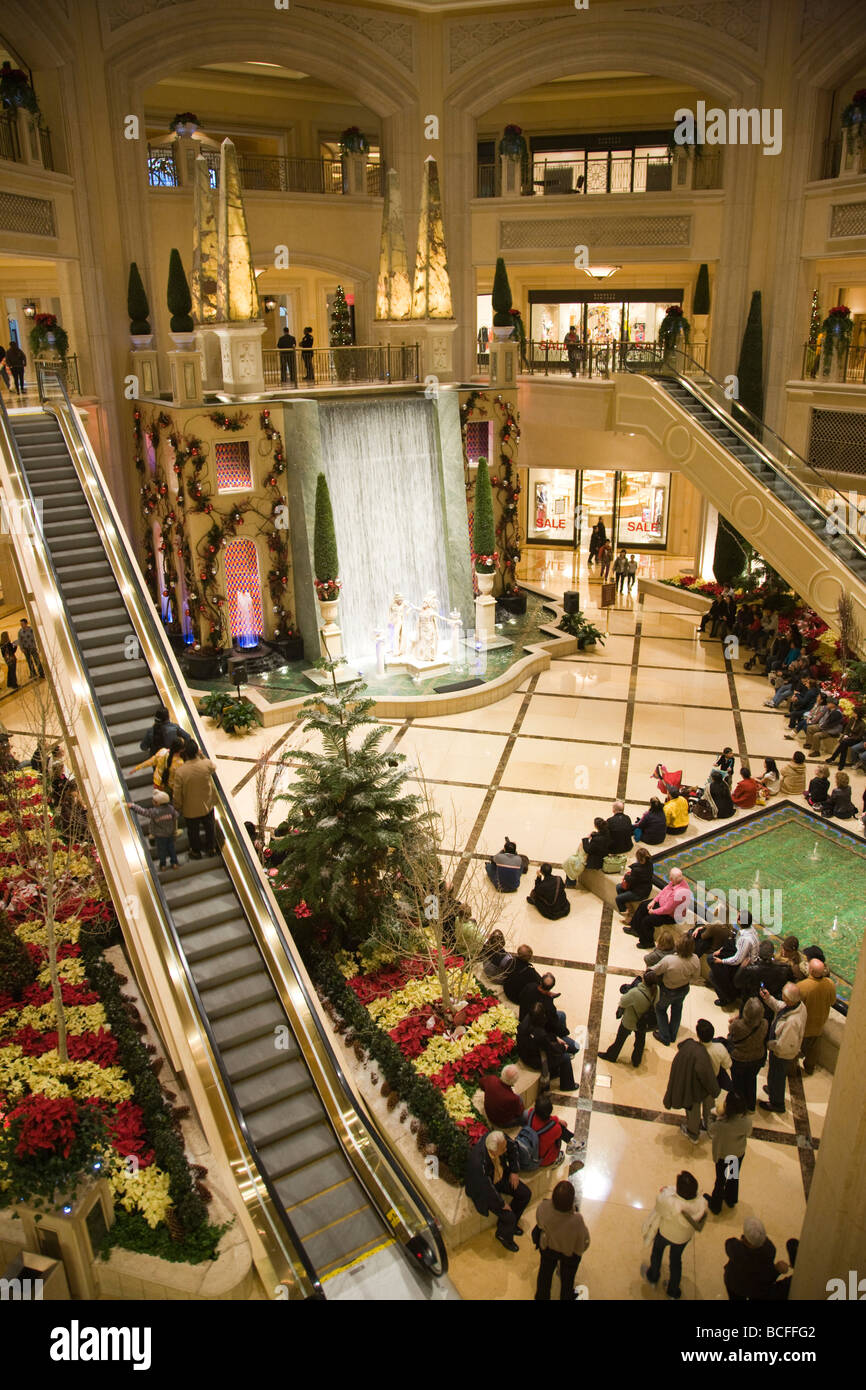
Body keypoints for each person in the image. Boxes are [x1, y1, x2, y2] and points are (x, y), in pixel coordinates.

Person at [464, 1130, 530, 1253]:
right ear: (493, 1151)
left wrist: (514, 1171)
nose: (505, 1150)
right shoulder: (478, 1162)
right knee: (508, 1216)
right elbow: (486, 1188)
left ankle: (512, 1223)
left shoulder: (499, 1139)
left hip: (499, 1175)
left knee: (525, 1194)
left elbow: (513, 1147)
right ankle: (503, 1235)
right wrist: (501, 1204)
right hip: (483, 1189)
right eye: (502, 1149)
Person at [644, 1171, 707, 1300]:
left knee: (657, 1252)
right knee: (676, 1260)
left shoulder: (671, 1202)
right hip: (683, 1239)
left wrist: (665, 1191)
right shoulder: (701, 1204)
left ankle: (653, 1275)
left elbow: (659, 1204)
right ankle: (673, 1290)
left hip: (665, 1233)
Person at [534, 1180, 591, 1301]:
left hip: (548, 1249)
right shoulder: (577, 1220)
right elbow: (584, 1241)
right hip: (569, 1254)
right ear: (572, 1201)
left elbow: (539, 1224)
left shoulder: (543, 1207)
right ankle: (567, 1296)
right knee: (568, 1280)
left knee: (544, 1276)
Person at [662, 1028, 721, 1142]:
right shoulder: (718, 1049)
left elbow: (703, 1072)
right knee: (709, 1108)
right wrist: (714, 1089)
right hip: (707, 1086)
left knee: (693, 1111)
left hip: (693, 1086)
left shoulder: (691, 1046)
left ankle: (693, 1134)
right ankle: (711, 1129)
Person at [759, 983, 807, 1115]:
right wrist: (769, 998)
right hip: (779, 1051)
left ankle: (777, 1103)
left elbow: (784, 1046)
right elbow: (781, 1007)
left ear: (790, 1000)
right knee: (774, 1075)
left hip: (781, 1055)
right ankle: (773, 1089)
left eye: (784, 996)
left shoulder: (793, 1022)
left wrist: (771, 1045)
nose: (783, 998)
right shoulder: (798, 1005)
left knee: (777, 1077)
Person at [599, 970, 658, 1067]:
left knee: (620, 1040)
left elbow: (623, 1002)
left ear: (644, 980)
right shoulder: (657, 990)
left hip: (629, 1021)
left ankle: (611, 1055)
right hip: (643, 1023)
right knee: (640, 1042)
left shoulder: (635, 992)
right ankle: (636, 1061)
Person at [706, 1091, 752, 1214]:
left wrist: (712, 1115)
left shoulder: (722, 1124)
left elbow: (711, 1130)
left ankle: (716, 1205)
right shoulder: (746, 1121)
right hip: (737, 1154)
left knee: (720, 1180)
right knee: (733, 1177)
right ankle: (731, 1199)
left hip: (723, 1155)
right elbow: (748, 1133)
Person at [651, 934, 701, 1046]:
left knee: (660, 1009)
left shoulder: (669, 960)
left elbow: (654, 971)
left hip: (668, 990)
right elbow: (696, 977)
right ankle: (673, 1034)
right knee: (677, 1010)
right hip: (683, 989)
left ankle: (664, 1036)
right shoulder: (695, 959)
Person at [724, 1218, 789, 1301]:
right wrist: (777, 1269)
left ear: (746, 1240)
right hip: (756, 1290)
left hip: (734, 1284)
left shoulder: (735, 1249)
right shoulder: (770, 1249)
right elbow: (767, 1274)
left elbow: (729, 1242)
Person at [627, 867, 693, 950]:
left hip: (671, 915)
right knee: (643, 905)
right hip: (663, 905)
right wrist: (654, 901)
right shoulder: (675, 882)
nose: (669, 878)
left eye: (670, 877)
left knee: (647, 920)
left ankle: (647, 943)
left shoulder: (678, 893)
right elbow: (664, 891)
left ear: (672, 878)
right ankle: (635, 929)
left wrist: (654, 911)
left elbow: (667, 909)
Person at [172, 745, 217, 858]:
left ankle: (196, 852)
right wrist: (201, 755)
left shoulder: (180, 772)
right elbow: (213, 766)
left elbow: (177, 793)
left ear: (185, 754)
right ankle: (211, 848)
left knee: (193, 831)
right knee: (209, 828)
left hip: (190, 808)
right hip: (207, 804)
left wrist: (177, 805)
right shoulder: (205, 764)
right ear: (197, 752)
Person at [726, 996, 768, 1111]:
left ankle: (739, 1107)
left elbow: (731, 1035)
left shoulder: (737, 1026)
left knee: (738, 1083)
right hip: (757, 1058)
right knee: (751, 1080)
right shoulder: (764, 1024)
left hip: (739, 1059)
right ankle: (750, 1105)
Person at [518, 972, 579, 1053]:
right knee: (575, 1047)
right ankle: (563, 1037)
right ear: (551, 988)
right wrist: (558, 1037)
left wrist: (547, 995)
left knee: (562, 1015)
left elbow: (522, 997)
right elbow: (553, 1025)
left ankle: (563, 1036)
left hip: (523, 1018)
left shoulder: (530, 986)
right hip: (543, 1030)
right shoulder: (548, 1006)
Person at [709, 911, 760, 1006]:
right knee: (712, 968)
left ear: (740, 921)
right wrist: (722, 950)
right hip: (742, 960)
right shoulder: (751, 930)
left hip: (744, 968)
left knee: (712, 968)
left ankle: (727, 997)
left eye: (738, 917)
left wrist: (722, 961)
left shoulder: (745, 939)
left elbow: (737, 960)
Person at [797, 958, 836, 1075]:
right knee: (813, 1051)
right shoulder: (830, 984)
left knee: (795, 1049)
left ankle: (791, 1070)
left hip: (804, 1026)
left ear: (811, 970)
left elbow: (794, 1005)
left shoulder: (802, 986)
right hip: (819, 1024)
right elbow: (833, 1001)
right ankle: (809, 1069)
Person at [516, 1002, 570, 1086]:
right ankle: (568, 1085)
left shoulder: (527, 1020)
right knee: (566, 1057)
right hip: (534, 1059)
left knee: (561, 1016)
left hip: (526, 1051)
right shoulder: (539, 1033)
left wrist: (556, 1038)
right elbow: (550, 1048)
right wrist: (563, 1048)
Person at [127, 788, 181, 870]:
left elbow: (143, 811)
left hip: (160, 836)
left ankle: (163, 865)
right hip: (170, 833)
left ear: (157, 803)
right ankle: (174, 863)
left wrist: (133, 806)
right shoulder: (170, 809)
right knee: (171, 849)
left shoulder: (154, 812)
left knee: (161, 851)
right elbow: (176, 815)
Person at [734, 938, 792, 1003]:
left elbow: (737, 983)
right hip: (769, 1002)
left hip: (751, 1002)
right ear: (772, 954)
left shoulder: (750, 969)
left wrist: (742, 967)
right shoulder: (783, 968)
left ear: (759, 953)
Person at [524, 1092, 573, 1167]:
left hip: (528, 1149)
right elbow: (563, 1124)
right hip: (541, 1160)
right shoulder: (555, 1128)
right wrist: (558, 1120)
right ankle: (567, 1147)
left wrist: (556, 1119)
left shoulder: (531, 1113)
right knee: (560, 1134)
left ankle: (571, 1142)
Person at [564, 817, 611, 881]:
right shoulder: (607, 834)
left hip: (595, 862)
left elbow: (588, 849)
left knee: (571, 861)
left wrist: (586, 839)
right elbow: (599, 838)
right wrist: (594, 835)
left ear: (595, 826)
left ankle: (570, 882)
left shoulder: (597, 840)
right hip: (602, 856)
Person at [615, 844, 654, 919]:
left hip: (639, 892)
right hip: (645, 888)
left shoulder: (638, 870)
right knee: (618, 887)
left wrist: (626, 876)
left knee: (618, 899)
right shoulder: (650, 863)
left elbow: (630, 880)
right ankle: (628, 906)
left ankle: (627, 915)